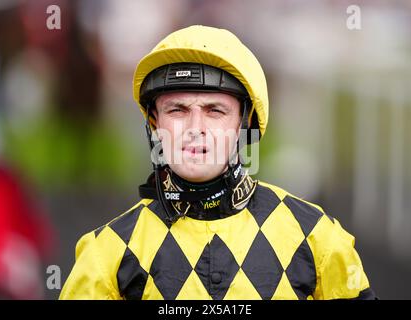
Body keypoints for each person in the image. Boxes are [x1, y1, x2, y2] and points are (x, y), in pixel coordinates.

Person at [60, 25, 376, 300]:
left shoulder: (318, 237)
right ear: (155, 123)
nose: (195, 127)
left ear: (244, 122)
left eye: (215, 110)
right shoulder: (106, 252)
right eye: (177, 110)